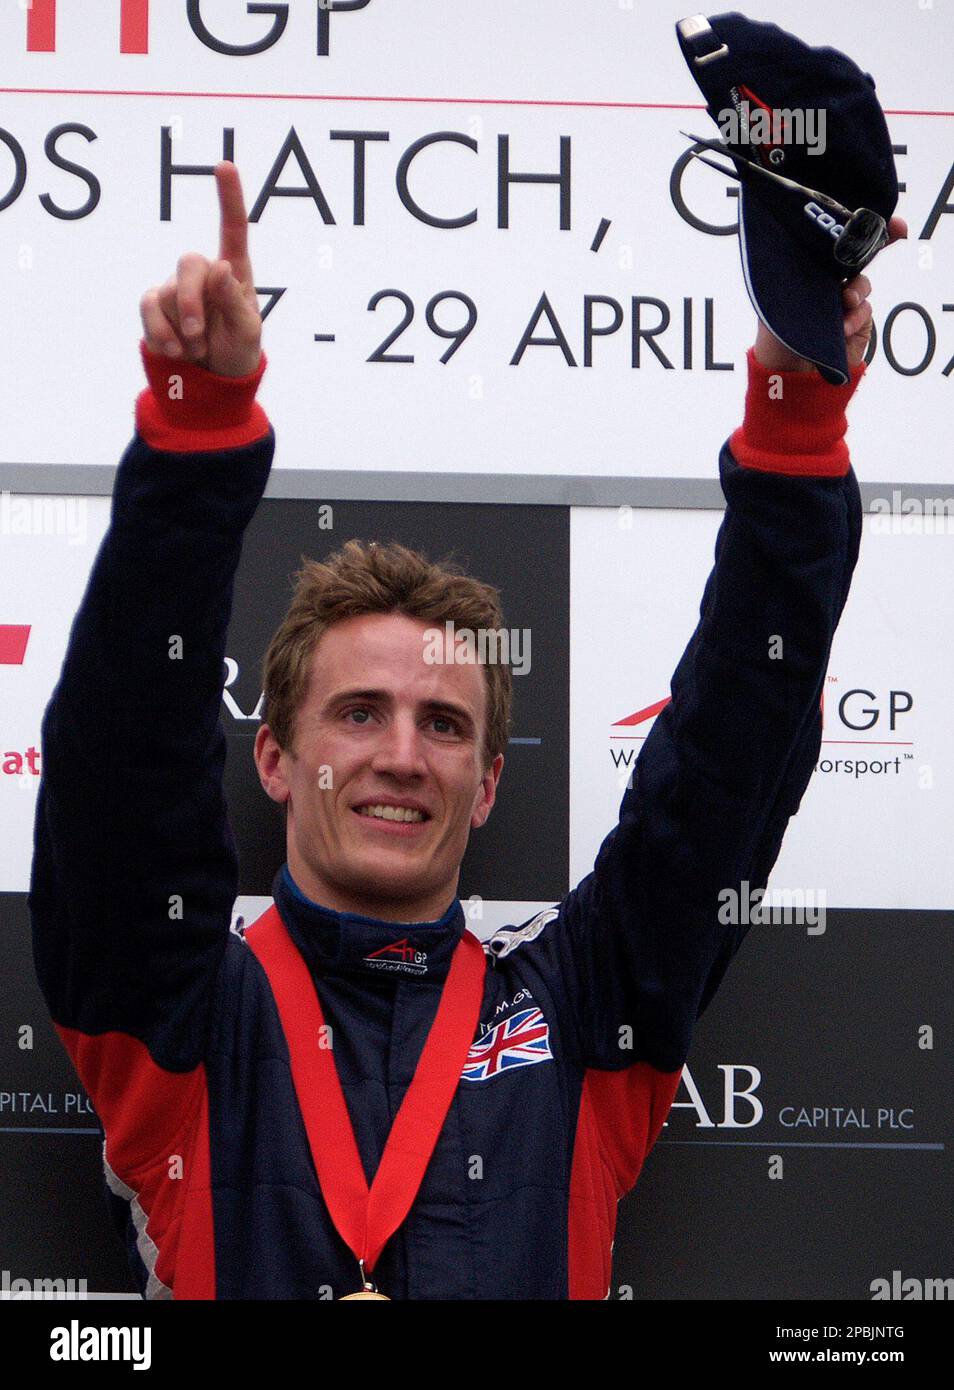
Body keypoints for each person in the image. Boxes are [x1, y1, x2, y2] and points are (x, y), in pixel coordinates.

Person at [29, 161, 906, 1300]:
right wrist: (198, 440)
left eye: (443, 724)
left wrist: (795, 413)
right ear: (275, 757)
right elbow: (123, 770)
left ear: (488, 784)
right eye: (360, 712)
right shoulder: (186, 1016)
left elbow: (731, 751)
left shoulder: (582, 1009)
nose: (402, 756)